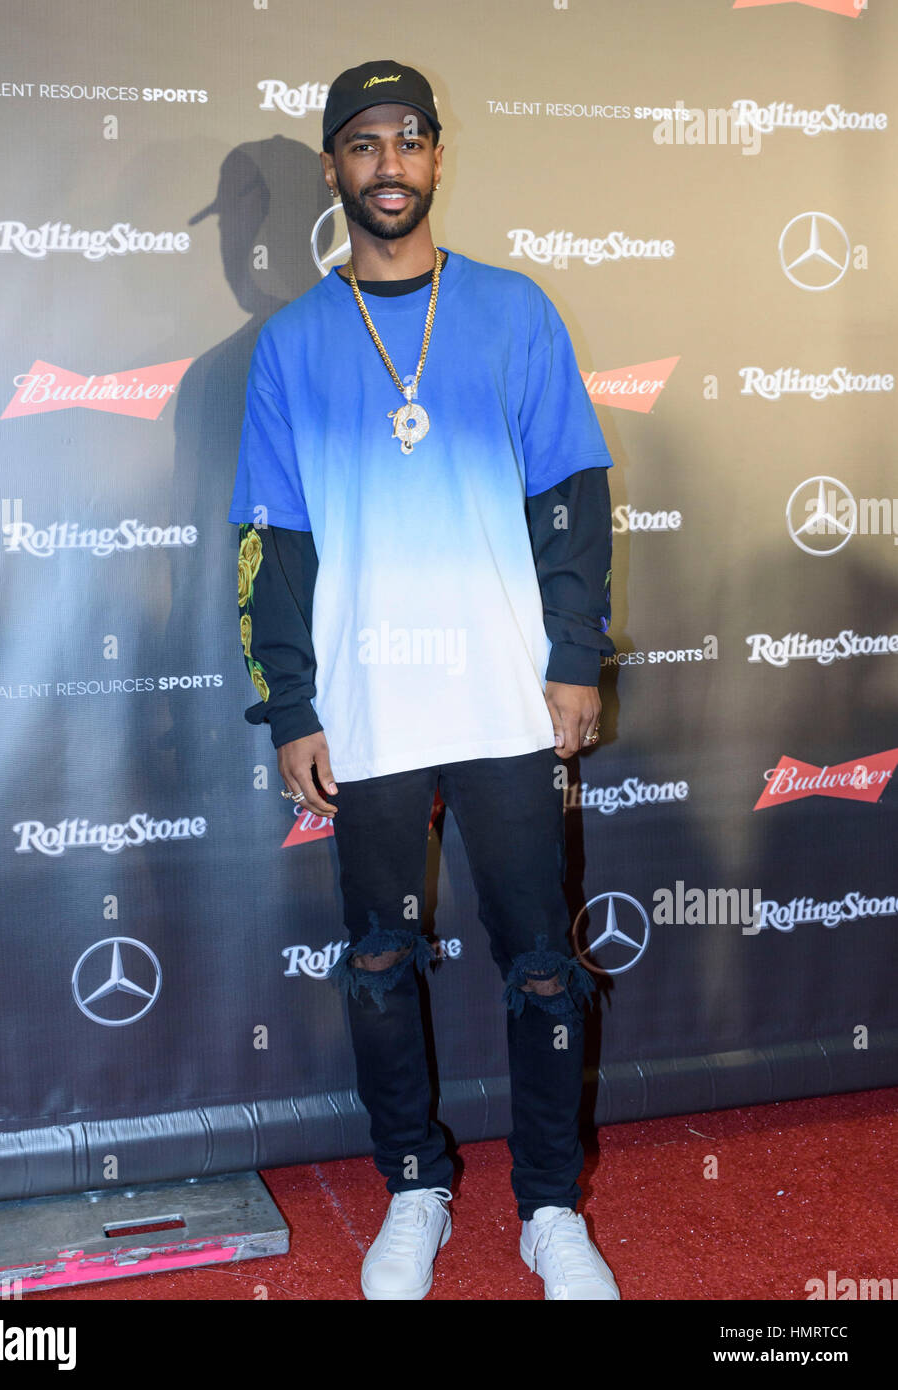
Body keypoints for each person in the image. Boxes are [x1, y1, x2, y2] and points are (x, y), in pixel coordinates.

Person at [229, 60, 620, 1302]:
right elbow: (272, 541)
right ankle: (413, 1183)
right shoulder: (290, 344)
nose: (385, 163)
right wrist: (292, 702)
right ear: (335, 169)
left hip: (505, 694)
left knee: (542, 965)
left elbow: (571, 497)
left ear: (438, 157)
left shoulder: (512, 310)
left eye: (408, 139)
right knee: (380, 962)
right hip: (370, 705)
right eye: (359, 143)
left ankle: (551, 1207)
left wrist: (571, 658)